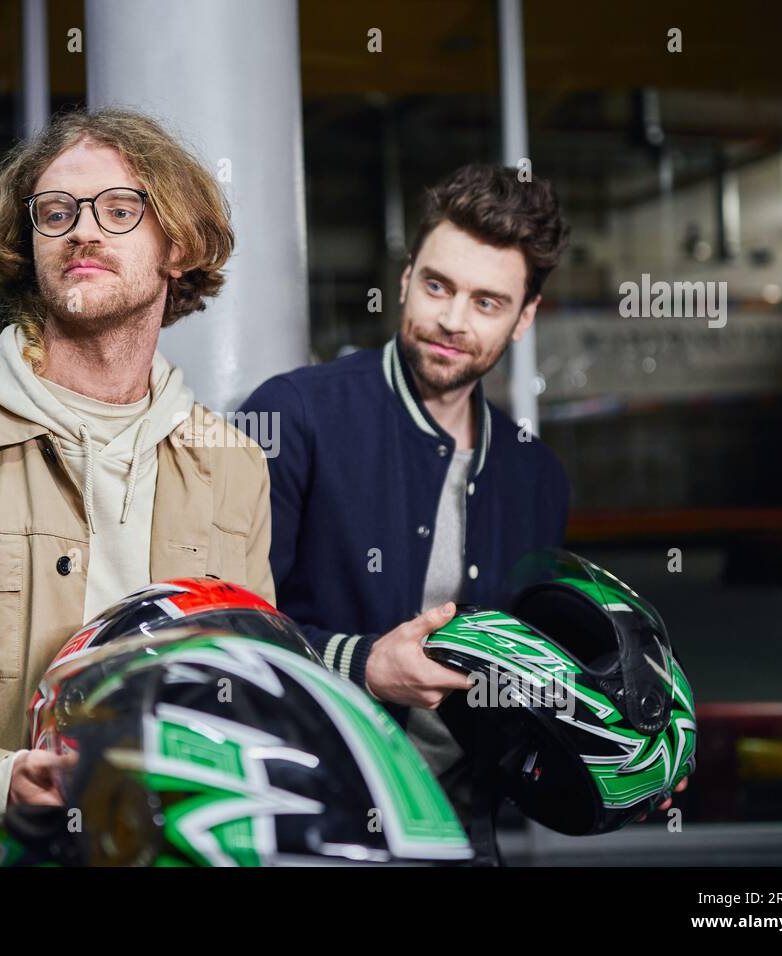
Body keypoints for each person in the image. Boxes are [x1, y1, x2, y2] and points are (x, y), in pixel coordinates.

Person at [0, 108, 274, 858]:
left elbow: (255, 683)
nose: (83, 231)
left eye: (119, 209)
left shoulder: (232, 466)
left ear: (176, 245)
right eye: (55, 212)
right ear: (29, 244)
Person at [241, 163, 572, 819]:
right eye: (437, 286)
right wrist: (361, 664)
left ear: (525, 317)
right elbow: (219, 629)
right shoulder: (291, 414)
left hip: (465, 823)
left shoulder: (539, 478)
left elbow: (530, 677)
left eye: (487, 302)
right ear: (405, 279)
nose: (451, 320)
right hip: (313, 817)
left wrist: (620, 758)